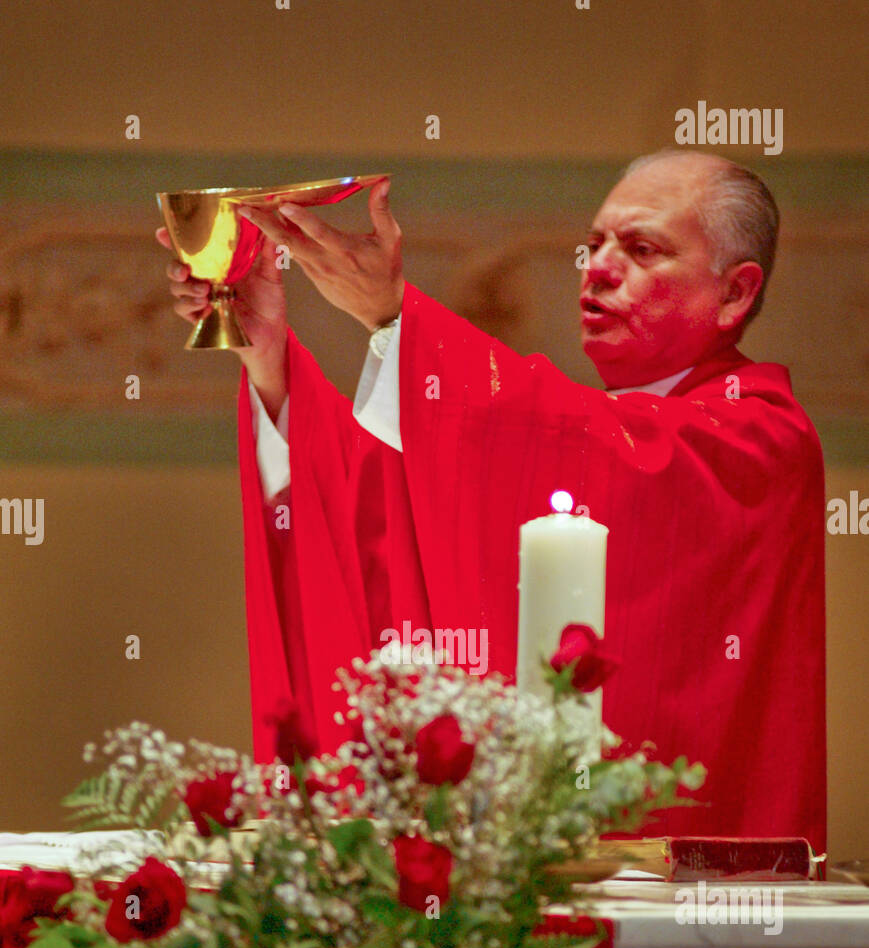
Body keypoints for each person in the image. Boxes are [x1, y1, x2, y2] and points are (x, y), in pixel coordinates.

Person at [157, 150, 827, 850]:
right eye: (593, 243)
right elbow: (371, 524)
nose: (596, 267)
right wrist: (267, 356)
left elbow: (618, 457)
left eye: (641, 248)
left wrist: (393, 318)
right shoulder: (593, 429)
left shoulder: (759, 438)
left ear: (733, 294)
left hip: (690, 886)